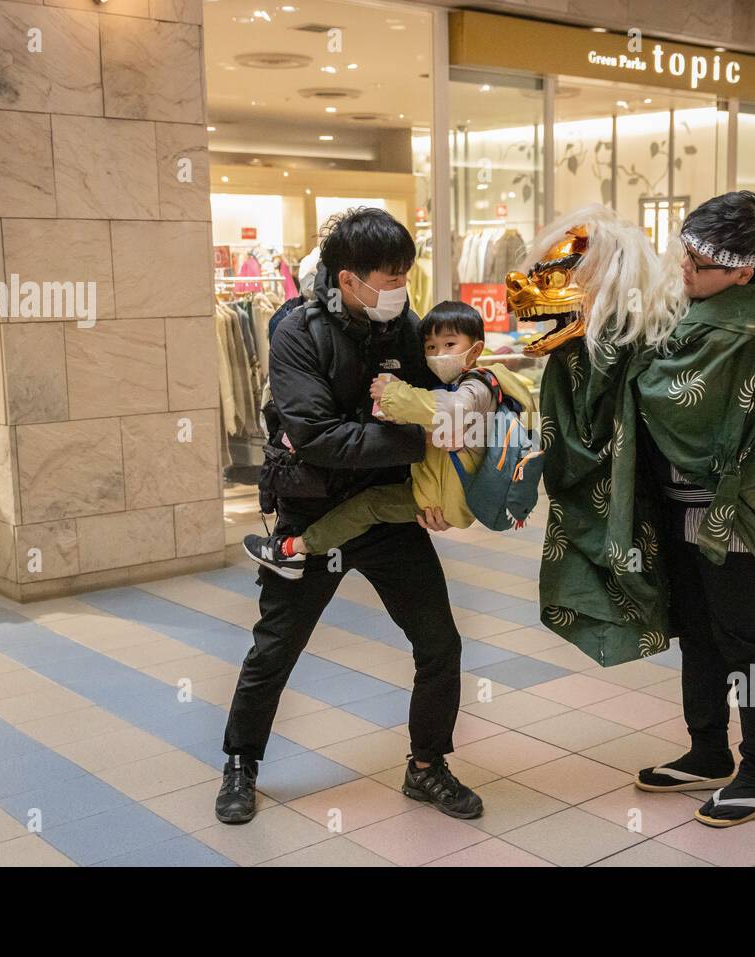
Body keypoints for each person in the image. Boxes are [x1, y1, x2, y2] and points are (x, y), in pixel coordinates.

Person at [216, 207, 483, 825]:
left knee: (439, 642)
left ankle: (427, 766)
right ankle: (240, 763)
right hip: (314, 517)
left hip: (389, 515)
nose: (399, 290)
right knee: (276, 649)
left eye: (403, 276)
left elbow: (432, 403)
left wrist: (438, 480)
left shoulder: (405, 326)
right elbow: (316, 436)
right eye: (388, 278)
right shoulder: (295, 333)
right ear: (347, 279)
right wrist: (423, 443)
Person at [630, 191, 755, 827]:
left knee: (750, 642)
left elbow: (675, 404)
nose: (684, 270)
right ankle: (708, 751)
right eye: (685, 255)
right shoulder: (713, 306)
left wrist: (623, 358)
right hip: (688, 506)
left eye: (698, 263)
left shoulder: (753, 329)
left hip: (743, 513)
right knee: (697, 629)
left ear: (743, 271)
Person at [243, 300, 537, 578]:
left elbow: (449, 411)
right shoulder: (465, 385)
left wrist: (393, 393)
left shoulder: (477, 386)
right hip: (447, 491)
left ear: (475, 350)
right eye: (431, 347)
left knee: (367, 506)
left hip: (443, 496)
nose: (439, 354)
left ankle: (291, 550)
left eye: (450, 344)